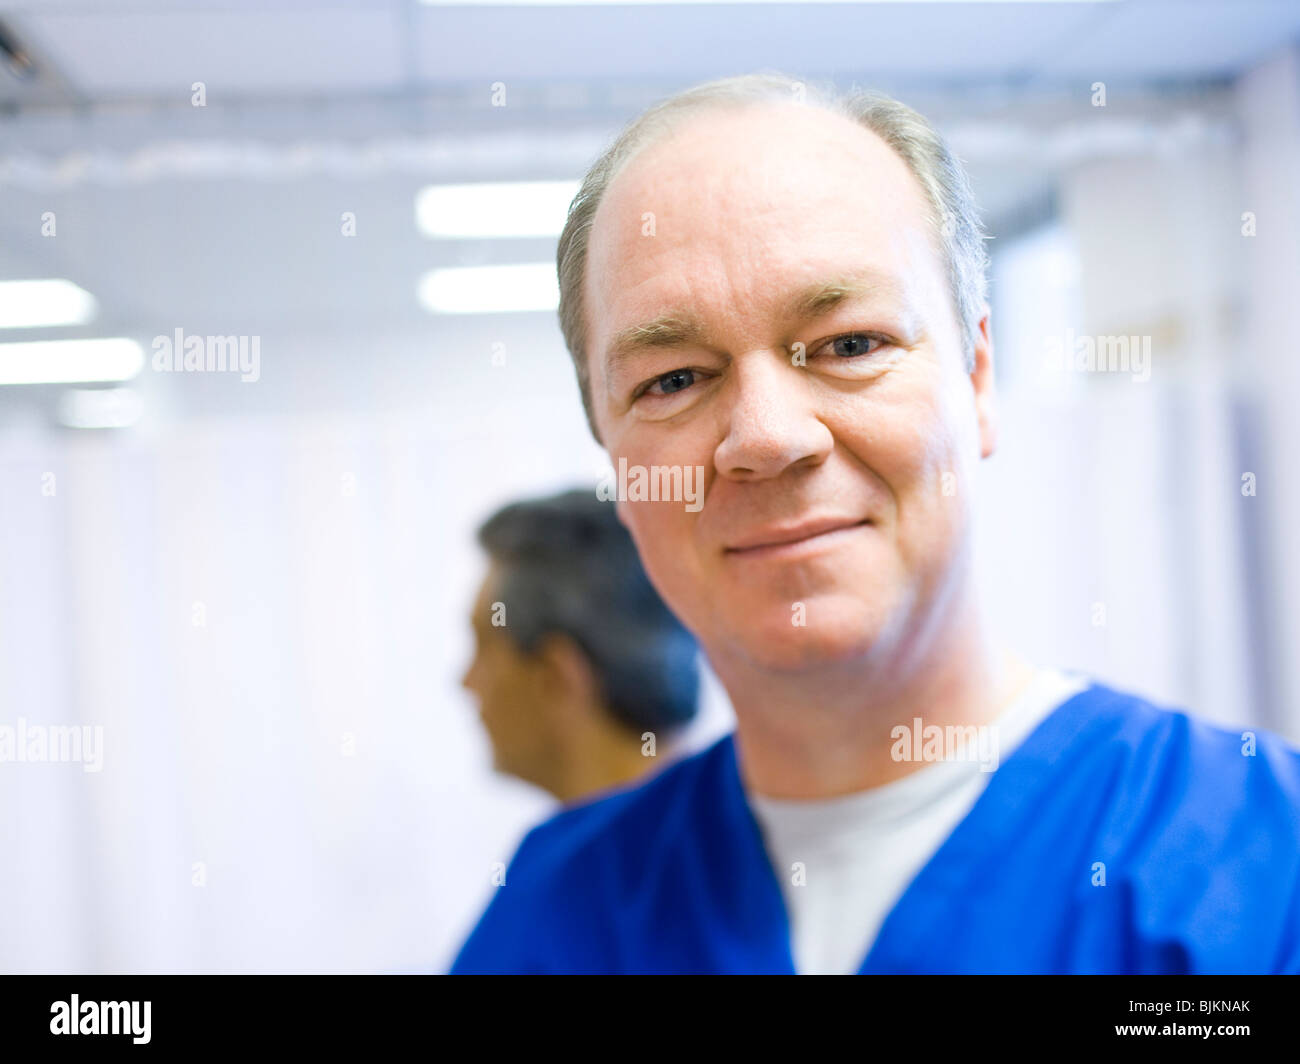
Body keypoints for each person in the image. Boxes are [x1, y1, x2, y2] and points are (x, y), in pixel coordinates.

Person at [451, 73, 1300, 974]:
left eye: (850, 345)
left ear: (977, 381)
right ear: (614, 465)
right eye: (673, 380)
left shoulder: (1258, 865)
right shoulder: (555, 911)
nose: (767, 439)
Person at [461, 489, 700, 803]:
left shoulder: (570, 850)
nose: (466, 682)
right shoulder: (749, 828)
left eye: (485, 648)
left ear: (554, 677)